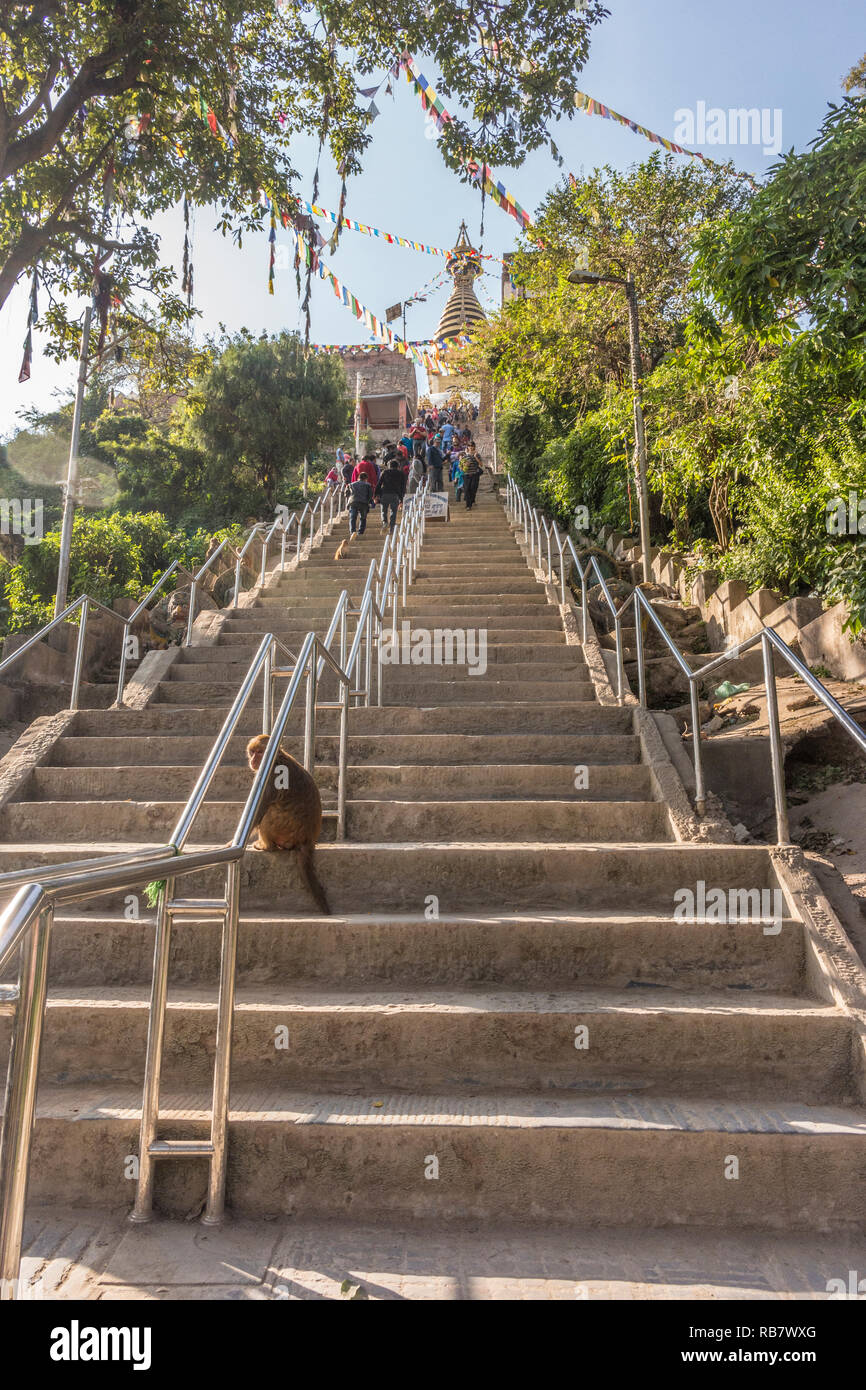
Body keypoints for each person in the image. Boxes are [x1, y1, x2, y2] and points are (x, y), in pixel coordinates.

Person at [375, 455, 406, 532]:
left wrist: (376, 495)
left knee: (383, 510)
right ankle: (392, 527)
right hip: (395, 495)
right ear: (398, 466)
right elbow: (403, 487)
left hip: (384, 493)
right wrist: (401, 499)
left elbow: (379, 484)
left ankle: (385, 522)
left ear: (389, 466)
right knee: (393, 511)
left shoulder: (385, 472)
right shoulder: (401, 474)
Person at [461, 442, 484, 510]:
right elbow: (461, 467)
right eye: (469, 446)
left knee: (473, 489)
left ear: (474, 447)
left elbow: (481, 464)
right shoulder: (465, 456)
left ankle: (471, 501)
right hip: (466, 475)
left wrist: (476, 457)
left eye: (472, 446)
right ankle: (468, 505)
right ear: (467, 447)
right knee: (467, 490)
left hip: (474, 475)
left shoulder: (477, 455)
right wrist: (465, 465)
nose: (470, 447)